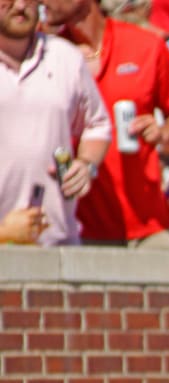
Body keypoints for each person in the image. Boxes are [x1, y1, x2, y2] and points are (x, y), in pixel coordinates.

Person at [44, 0, 169, 248]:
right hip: (79, 228)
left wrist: (161, 131)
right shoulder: (46, 54)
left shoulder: (145, 45)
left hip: (149, 228)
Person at [0, 0, 110, 246]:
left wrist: (86, 164)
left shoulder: (66, 58)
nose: (21, 6)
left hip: (56, 242)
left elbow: (97, 125)